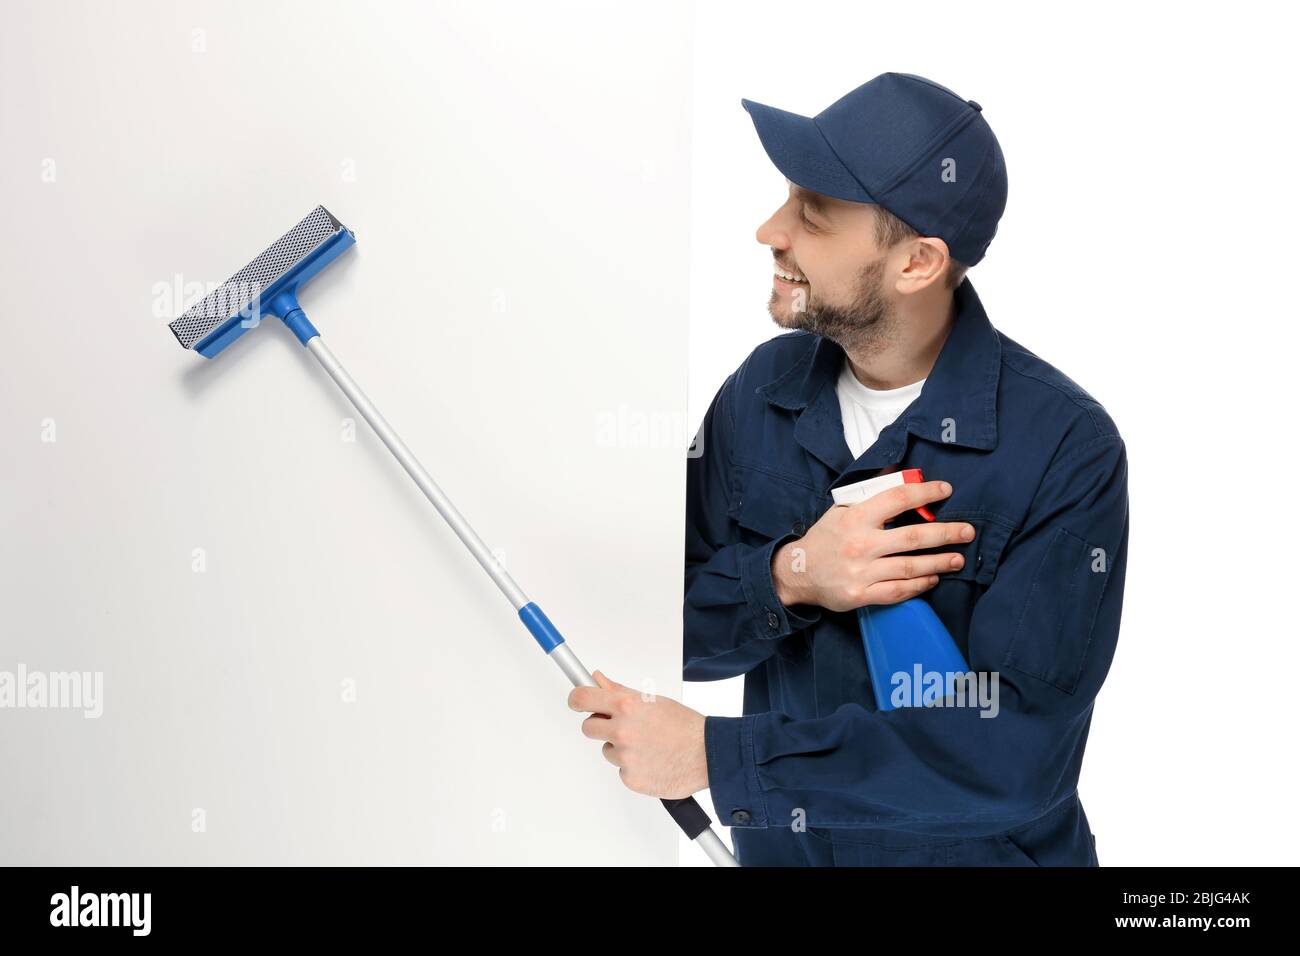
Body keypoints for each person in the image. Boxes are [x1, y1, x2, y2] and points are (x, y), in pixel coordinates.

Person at [569, 73, 1129, 866]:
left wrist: (719, 760)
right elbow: (669, 624)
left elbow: (1017, 754)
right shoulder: (759, 394)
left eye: (815, 215)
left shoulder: (1066, 448)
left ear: (916, 263)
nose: (770, 230)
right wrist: (792, 575)